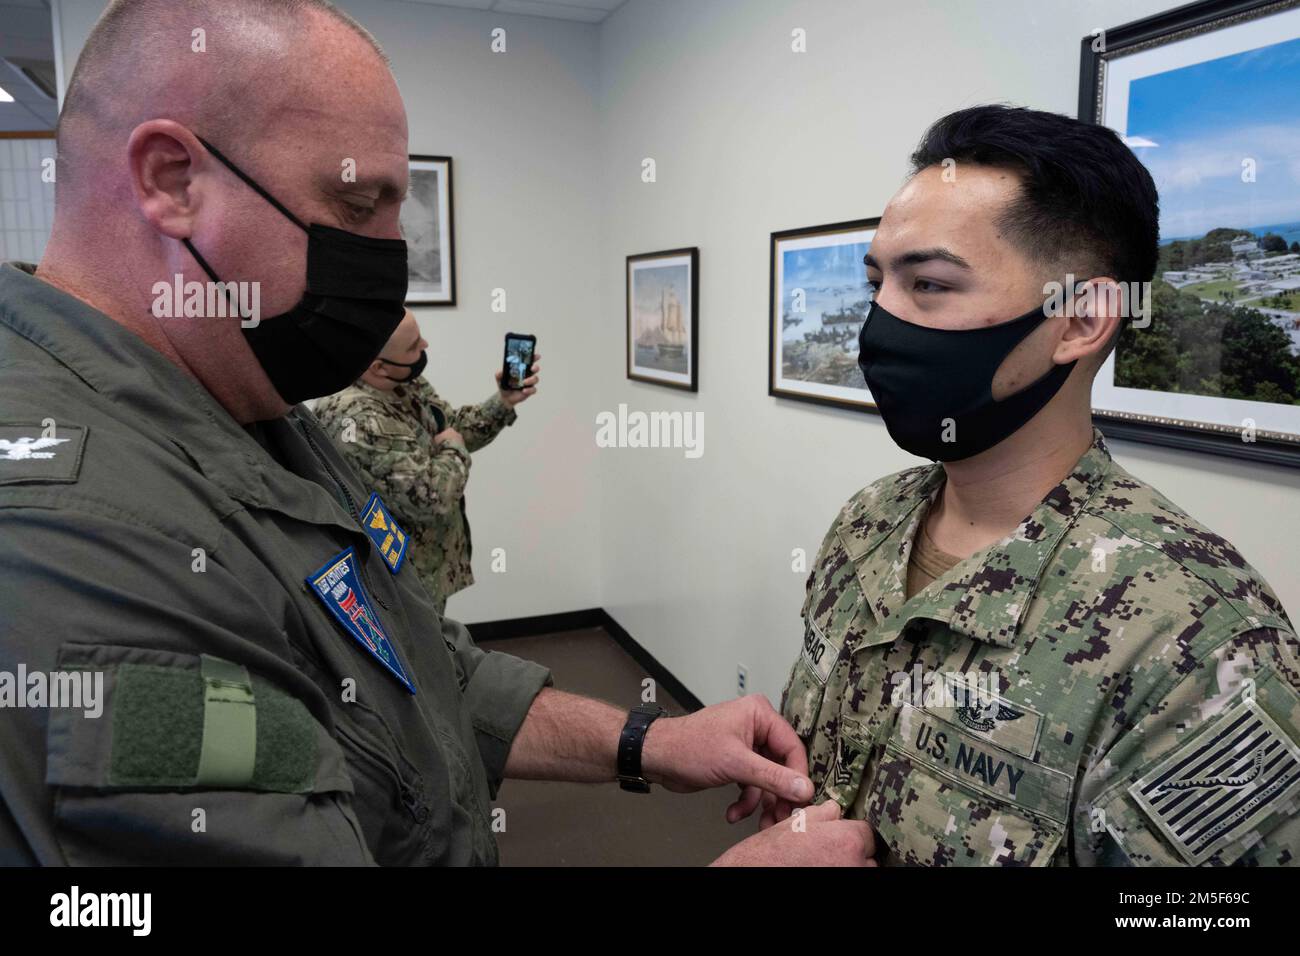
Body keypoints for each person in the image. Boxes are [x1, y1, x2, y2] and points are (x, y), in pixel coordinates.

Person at [0, 0, 871, 867]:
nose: (394, 260)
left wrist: (650, 740)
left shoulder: (251, 407)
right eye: (355, 204)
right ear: (171, 180)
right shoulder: (75, 534)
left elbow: (420, 669)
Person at [776, 104, 1300, 866]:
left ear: (1081, 321)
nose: (878, 323)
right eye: (875, 282)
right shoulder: (868, 523)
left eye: (928, 283)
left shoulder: (1201, 649)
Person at [312, 310, 530, 616]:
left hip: (427, 569)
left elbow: (450, 426)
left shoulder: (401, 382)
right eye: (414, 346)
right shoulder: (359, 420)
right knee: (417, 660)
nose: (425, 346)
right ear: (378, 367)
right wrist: (454, 449)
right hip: (396, 585)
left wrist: (503, 401)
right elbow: (431, 495)